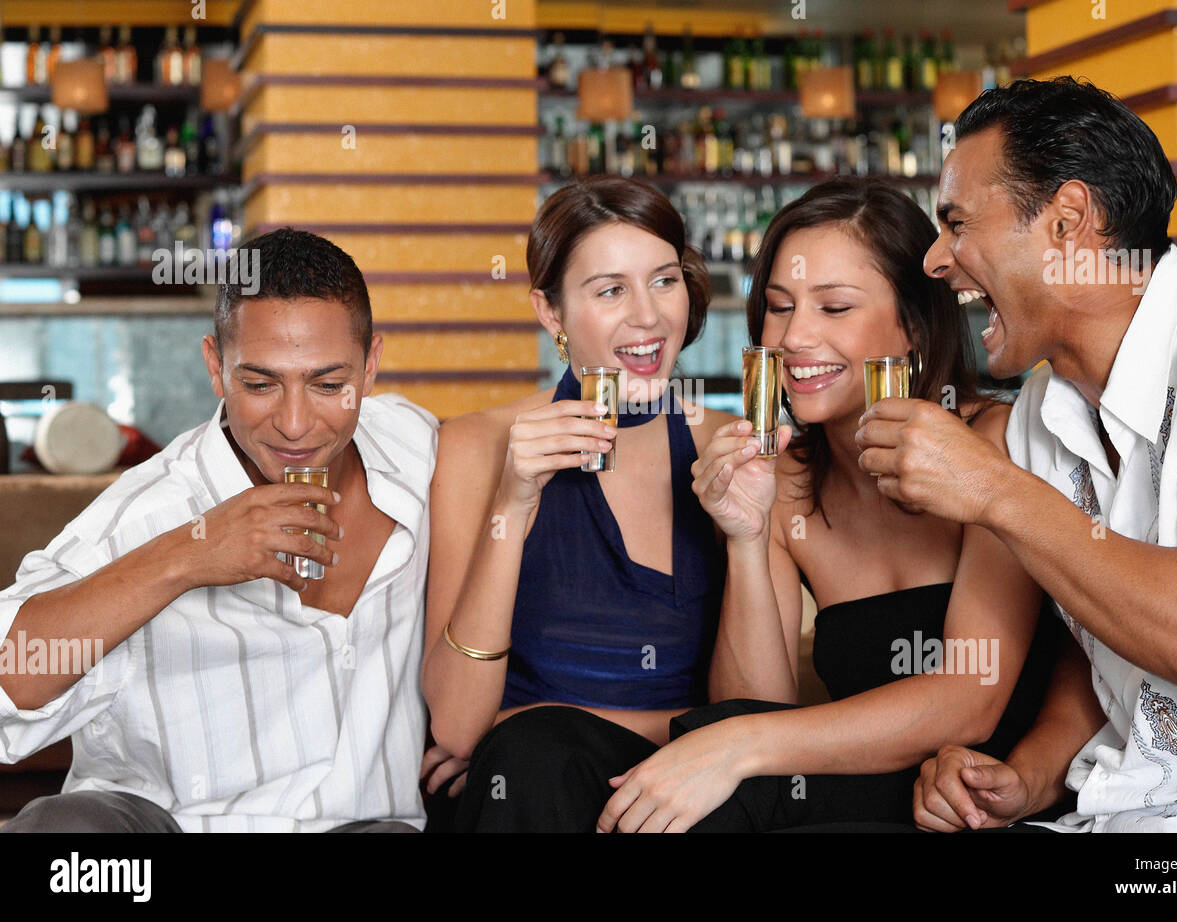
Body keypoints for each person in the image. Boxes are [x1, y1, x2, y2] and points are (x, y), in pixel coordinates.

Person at [862, 76, 1177, 831]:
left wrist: (994, 490)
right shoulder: (1041, 411)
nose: (935, 260)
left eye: (957, 223)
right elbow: (1110, 638)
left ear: (1068, 221)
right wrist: (1026, 777)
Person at [596, 177, 1062, 833]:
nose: (795, 337)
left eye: (835, 308)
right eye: (779, 307)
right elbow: (751, 706)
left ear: (912, 324)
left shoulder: (995, 443)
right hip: (863, 798)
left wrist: (737, 746)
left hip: (994, 803)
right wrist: (747, 538)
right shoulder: (785, 478)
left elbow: (968, 700)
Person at [0, 228, 436, 832]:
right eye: (259, 384)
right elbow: (10, 674)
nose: (294, 423)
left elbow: (515, 428)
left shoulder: (414, 449)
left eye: (328, 385)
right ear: (215, 367)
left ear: (371, 367)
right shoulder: (148, 509)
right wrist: (188, 554)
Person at [421, 176, 736, 832]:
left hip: (684, 795)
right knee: (531, 766)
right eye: (611, 290)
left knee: (533, 749)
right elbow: (455, 726)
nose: (648, 317)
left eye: (664, 281)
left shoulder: (725, 446)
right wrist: (513, 502)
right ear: (550, 311)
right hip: (531, 799)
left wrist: (535, 721)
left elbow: (757, 717)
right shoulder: (475, 447)